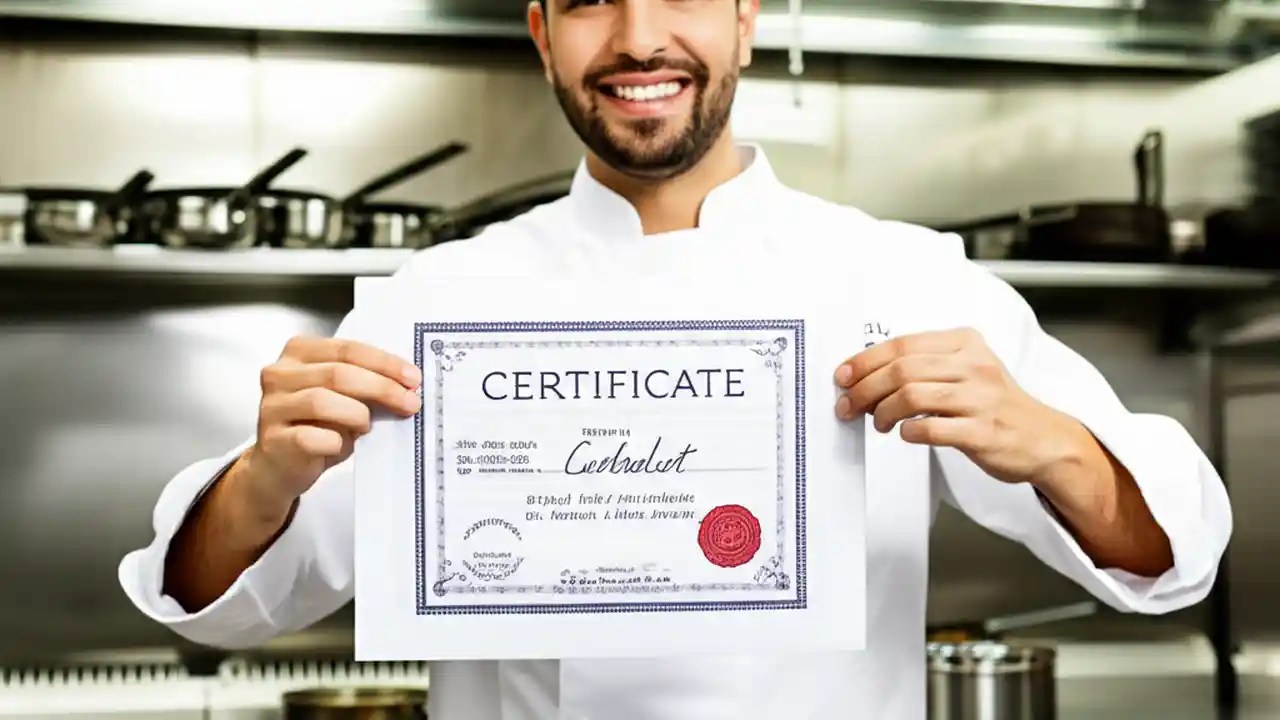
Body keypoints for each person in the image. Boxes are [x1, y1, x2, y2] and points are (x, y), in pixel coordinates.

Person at [119, 1, 1233, 718]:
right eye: (591, 0)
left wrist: (1055, 448)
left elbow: (1168, 562)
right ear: (540, 30)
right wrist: (263, 477)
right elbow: (215, 610)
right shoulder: (434, 305)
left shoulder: (903, 280)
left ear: (746, 19)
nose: (638, 36)